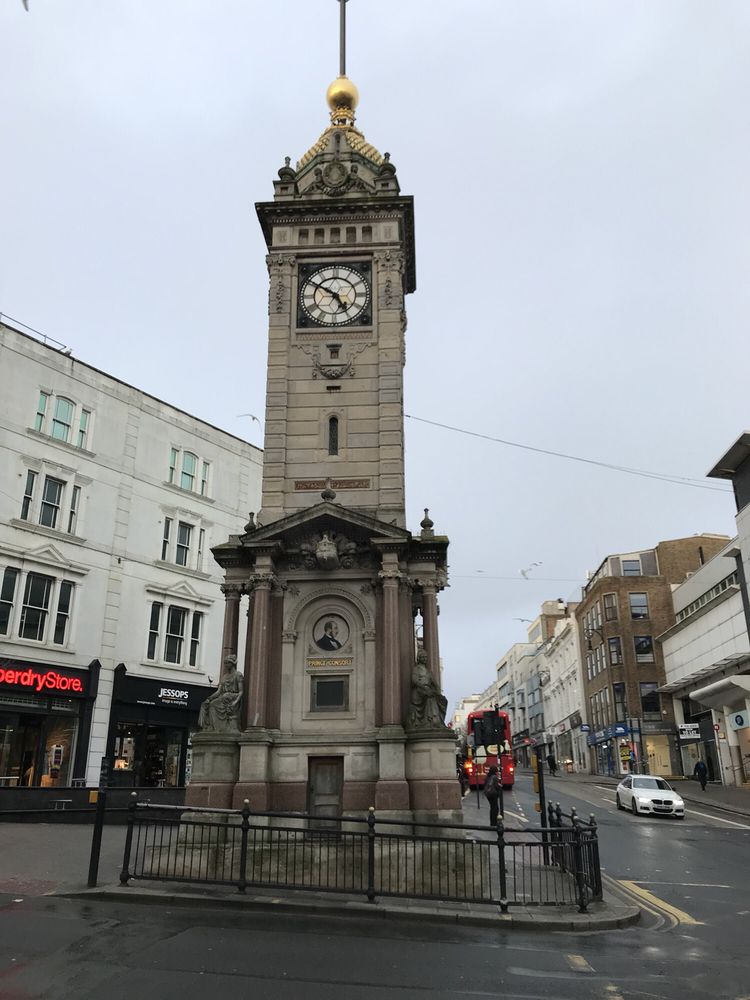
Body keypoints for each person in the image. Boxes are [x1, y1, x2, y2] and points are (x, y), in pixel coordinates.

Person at [198, 654, 243, 733]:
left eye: (227, 663)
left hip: (232, 697)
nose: (226, 665)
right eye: (225, 663)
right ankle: (216, 728)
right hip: (224, 697)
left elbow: (241, 692)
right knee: (211, 704)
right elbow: (219, 691)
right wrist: (209, 698)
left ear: (232, 664)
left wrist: (235, 702)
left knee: (223, 698)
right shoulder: (224, 676)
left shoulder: (238, 675)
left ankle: (222, 728)